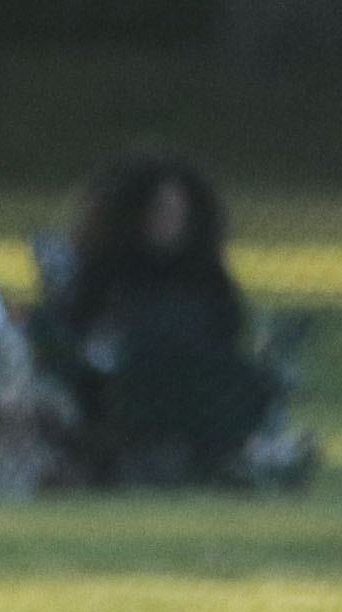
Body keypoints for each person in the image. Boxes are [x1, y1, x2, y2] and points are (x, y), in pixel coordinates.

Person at [31, 154, 297, 489]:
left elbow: (228, 334)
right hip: (123, 391)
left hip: (196, 387)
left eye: (178, 212)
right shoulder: (103, 275)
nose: (170, 221)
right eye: (160, 211)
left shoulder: (205, 276)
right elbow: (75, 339)